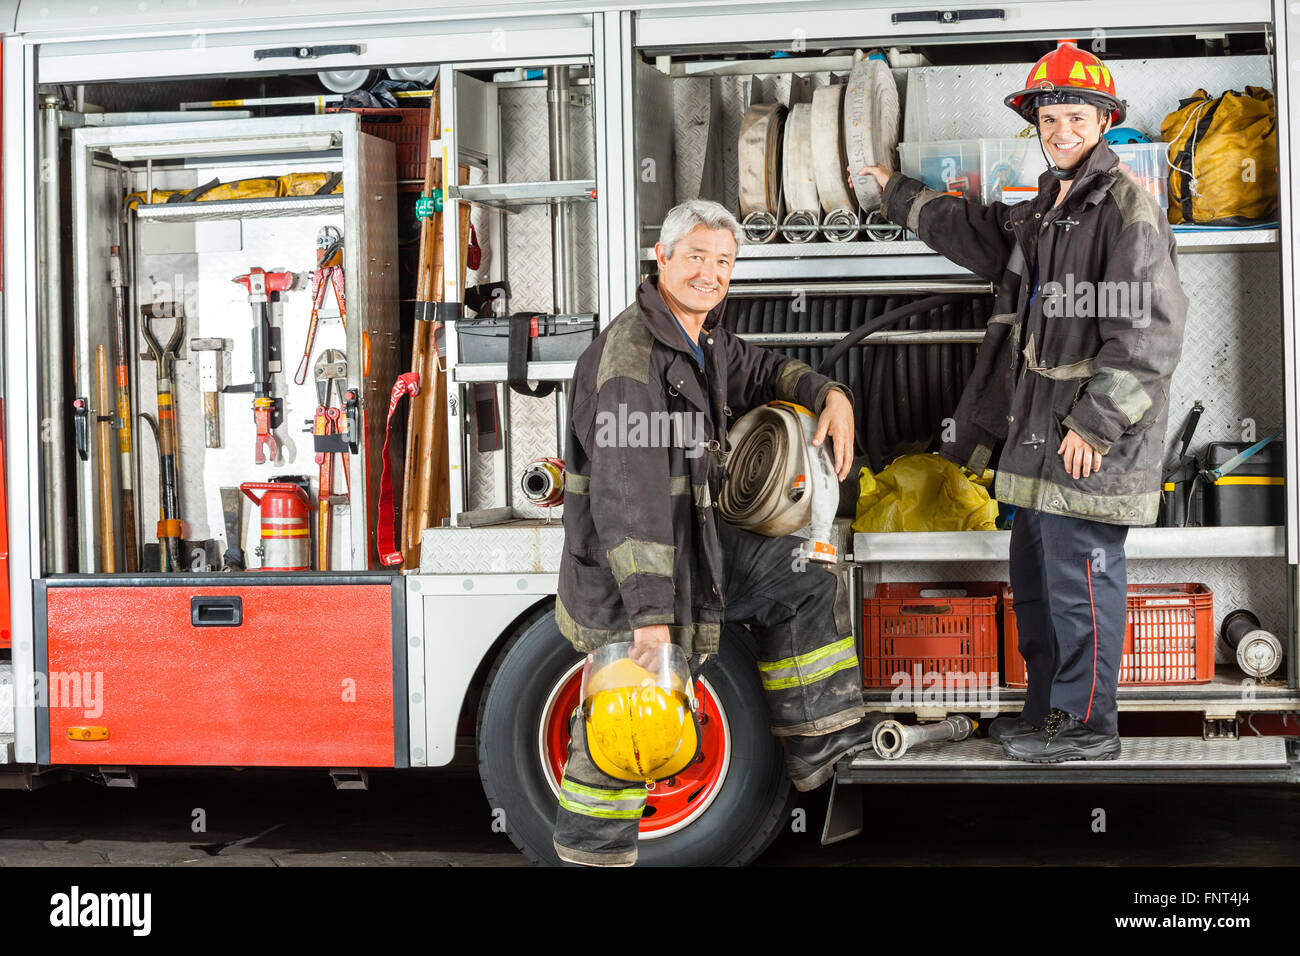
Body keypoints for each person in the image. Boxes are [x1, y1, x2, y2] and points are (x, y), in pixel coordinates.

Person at [860, 40, 1187, 761]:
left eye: (1075, 117)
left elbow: (1151, 335)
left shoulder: (1126, 210)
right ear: (1035, 126)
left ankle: (1088, 728)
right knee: (1038, 593)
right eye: (1049, 120)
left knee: (1082, 596)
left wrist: (1096, 426)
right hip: (1036, 443)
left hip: (1083, 447)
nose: (1061, 131)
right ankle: (1047, 714)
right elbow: (975, 230)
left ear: (1104, 122)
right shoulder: (1046, 210)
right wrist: (897, 193)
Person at [551, 199, 871, 866]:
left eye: (723, 261)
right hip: (631, 579)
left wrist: (828, 393)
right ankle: (589, 852)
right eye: (695, 256)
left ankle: (820, 746)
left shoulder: (704, 342)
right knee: (631, 723)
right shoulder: (630, 362)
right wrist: (650, 623)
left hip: (696, 552)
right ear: (661, 259)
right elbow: (628, 499)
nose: (710, 272)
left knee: (802, 577)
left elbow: (767, 372)